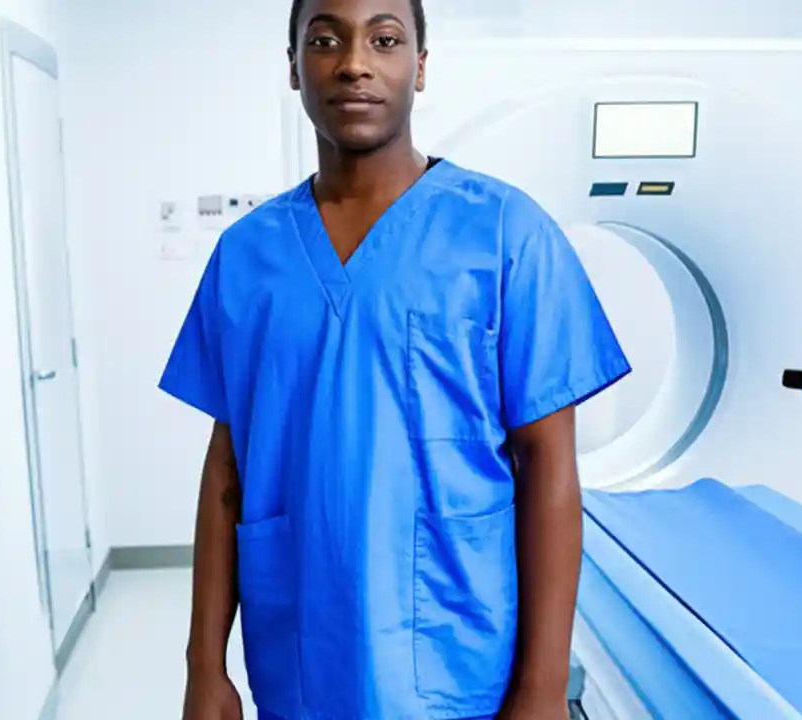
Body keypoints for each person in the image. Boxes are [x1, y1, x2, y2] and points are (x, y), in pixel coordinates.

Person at [160, 0, 630, 717]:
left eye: (384, 38)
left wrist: (541, 687)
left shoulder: (506, 233)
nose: (354, 62)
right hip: (300, 657)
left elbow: (549, 466)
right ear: (293, 67)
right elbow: (227, 469)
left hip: (456, 653)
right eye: (324, 40)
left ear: (420, 64)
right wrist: (204, 666)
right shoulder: (246, 256)